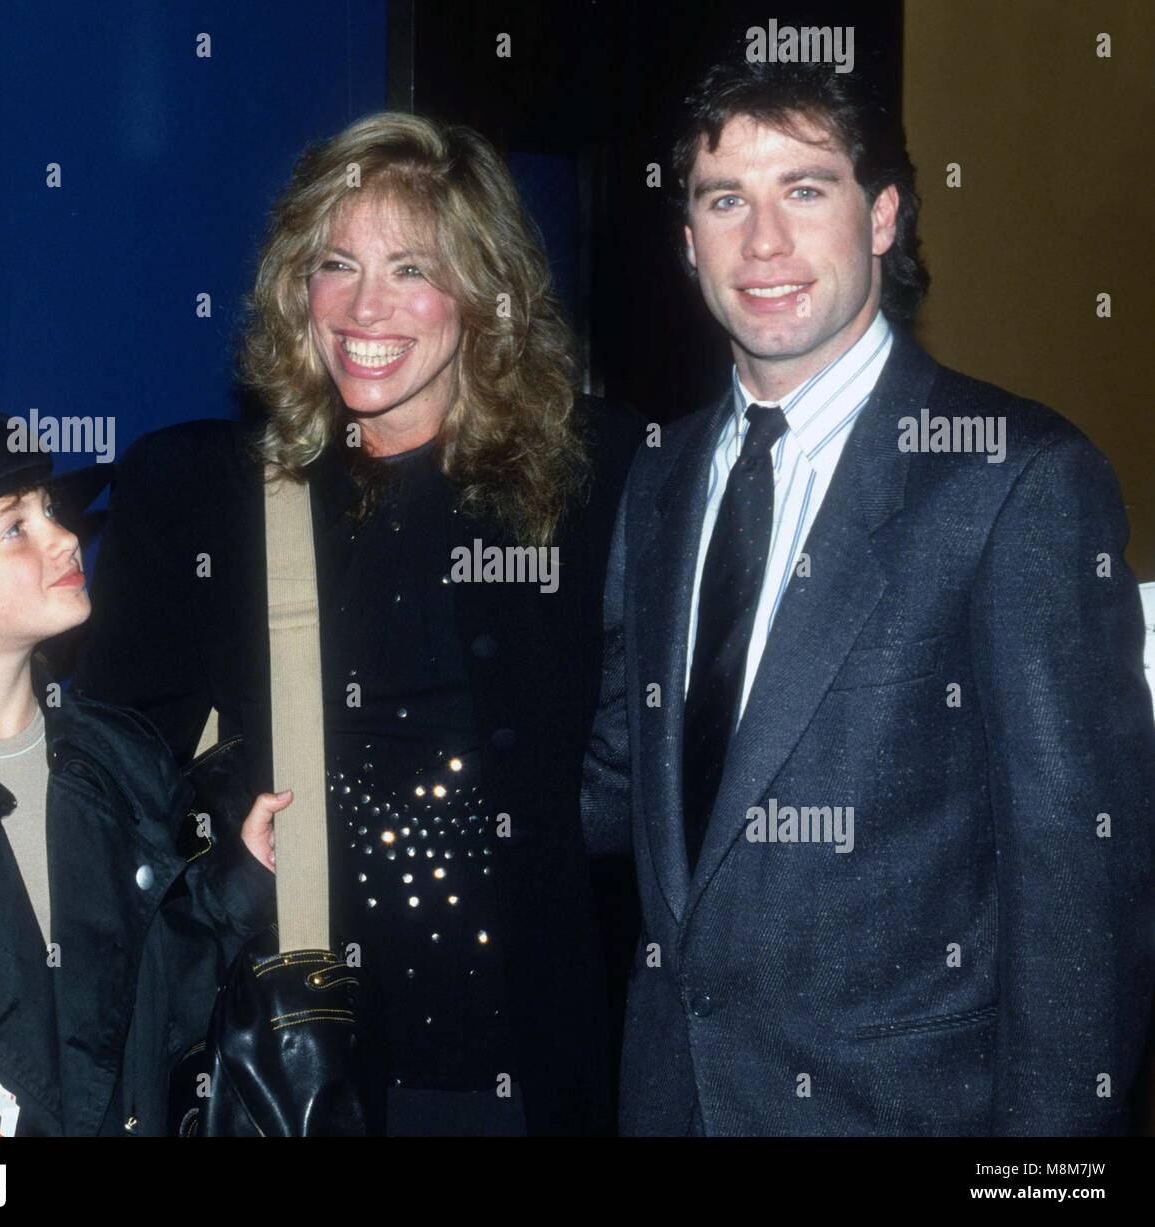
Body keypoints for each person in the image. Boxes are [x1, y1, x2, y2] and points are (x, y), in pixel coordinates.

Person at [582, 56, 1155, 1136]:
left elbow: (1080, 890)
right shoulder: (658, 479)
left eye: (805, 189)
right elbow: (616, 783)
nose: (763, 243)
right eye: (724, 200)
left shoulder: (1015, 479)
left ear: (882, 215)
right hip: (671, 1100)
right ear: (685, 237)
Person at [74, 112, 643, 1136]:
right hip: (307, 1064)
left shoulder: (609, 479)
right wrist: (217, 865)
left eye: (411, 269)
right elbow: (106, 775)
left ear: (487, 295)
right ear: (298, 286)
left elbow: (656, 757)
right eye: (335, 264)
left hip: (535, 1063)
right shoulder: (204, 491)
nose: (363, 307)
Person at [0, 413, 281, 1136]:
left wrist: (238, 885)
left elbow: (147, 1013)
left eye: (49, 510)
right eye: (15, 527)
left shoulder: (124, 759)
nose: (63, 537)